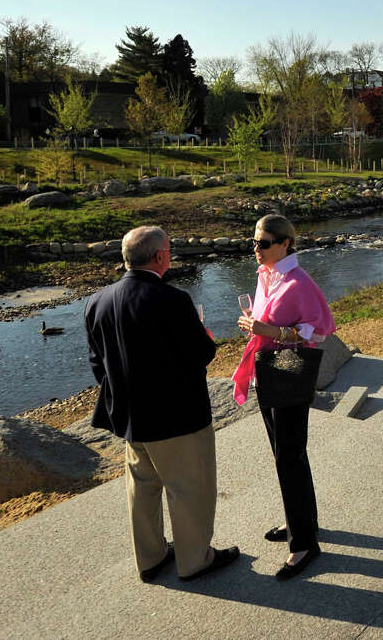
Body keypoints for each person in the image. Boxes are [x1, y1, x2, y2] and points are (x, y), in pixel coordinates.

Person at [84, 226, 238, 583]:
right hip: (176, 417)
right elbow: (202, 353)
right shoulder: (173, 300)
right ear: (159, 257)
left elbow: (97, 363)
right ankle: (194, 560)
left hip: (129, 418)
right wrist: (204, 334)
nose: (170, 254)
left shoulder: (97, 301)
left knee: (142, 489)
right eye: (169, 249)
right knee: (189, 489)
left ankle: (151, 558)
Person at [234, 214, 336, 580]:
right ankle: (300, 524)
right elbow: (270, 322)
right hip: (269, 372)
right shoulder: (268, 276)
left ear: (284, 244)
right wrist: (255, 321)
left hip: (289, 374)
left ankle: (305, 542)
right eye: (254, 241)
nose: (255, 248)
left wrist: (269, 330)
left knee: (289, 456)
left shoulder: (299, 281)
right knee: (285, 454)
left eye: (263, 243)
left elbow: (319, 329)